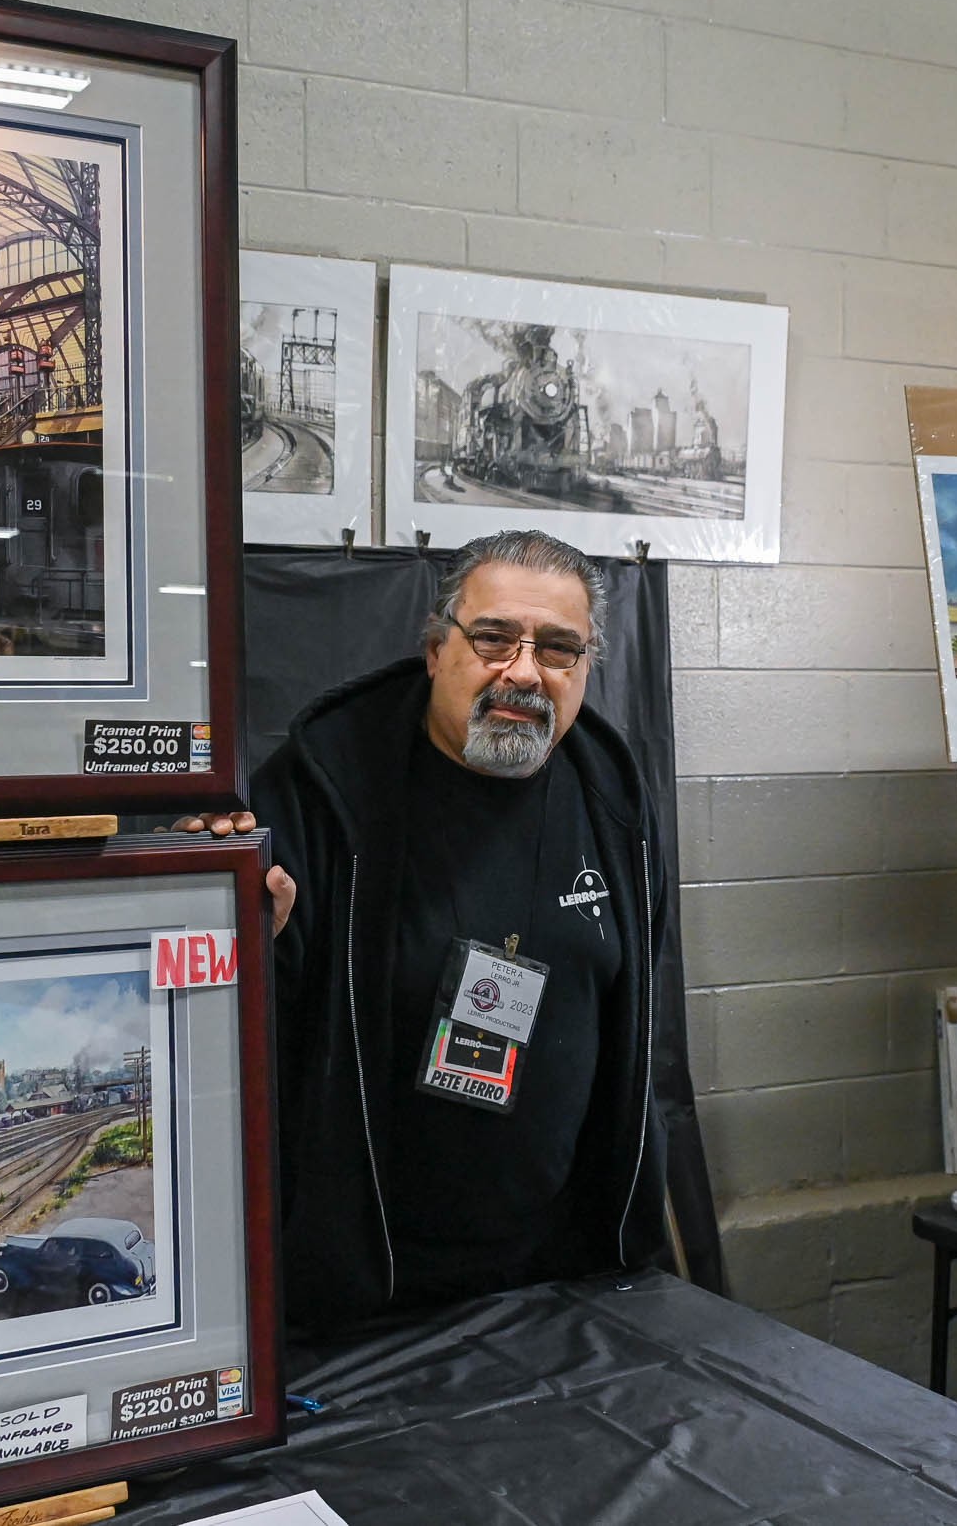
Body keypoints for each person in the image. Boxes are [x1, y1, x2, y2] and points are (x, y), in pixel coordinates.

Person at [183, 529, 673, 1330]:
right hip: (360, 1290)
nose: (523, 671)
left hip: (558, 1278)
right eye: (493, 638)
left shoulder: (616, 803)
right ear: (436, 648)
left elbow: (634, 1013)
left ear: (586, 669)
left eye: (558, 649)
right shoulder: (318, 793)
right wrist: (235, 929)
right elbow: (234, 1034)